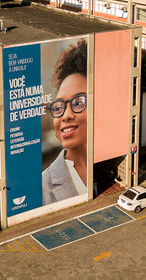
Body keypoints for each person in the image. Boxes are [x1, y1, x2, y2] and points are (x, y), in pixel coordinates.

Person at [42, 39, 89, 205]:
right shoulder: (42, 188)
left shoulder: (110, 163)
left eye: (79, 102)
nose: (65, 116)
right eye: (59, 106)